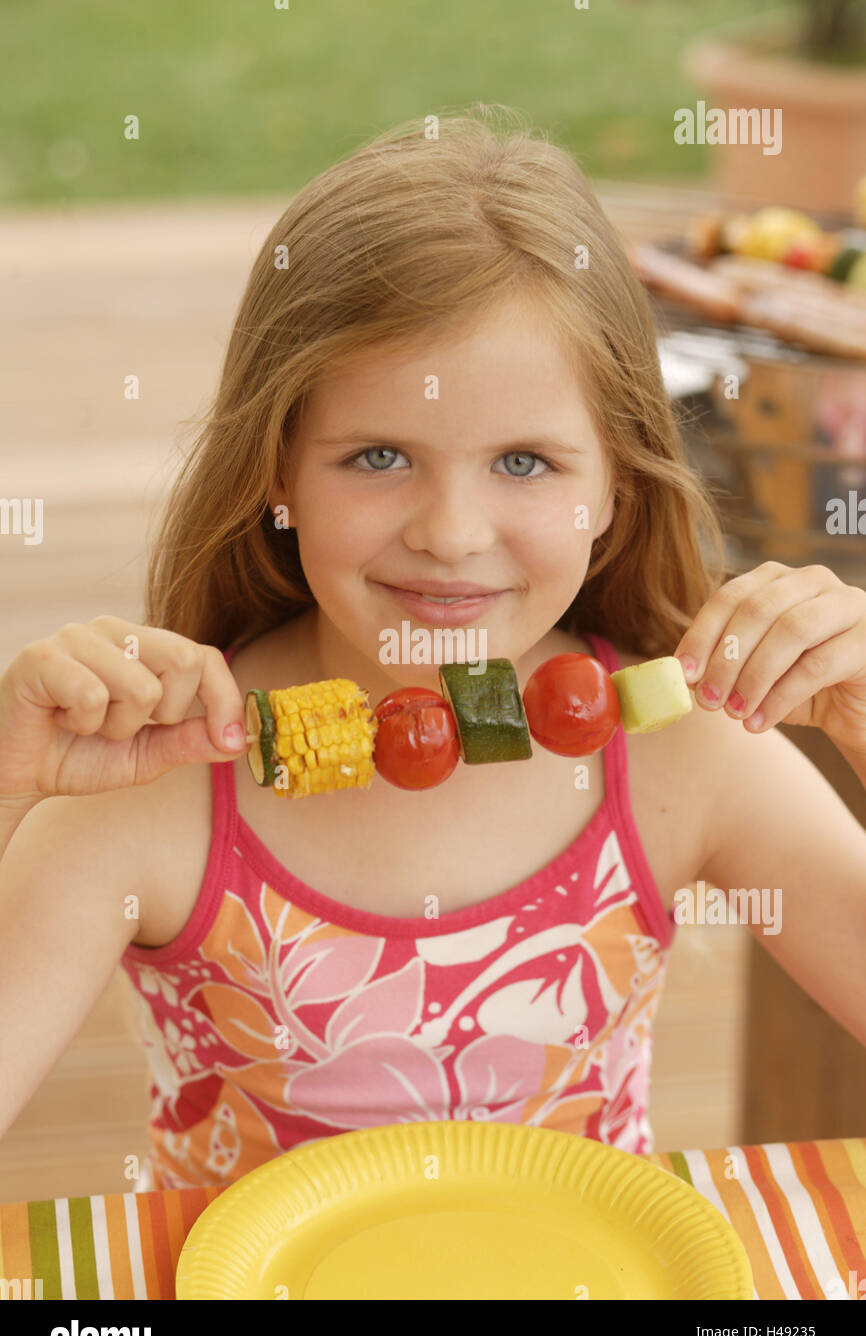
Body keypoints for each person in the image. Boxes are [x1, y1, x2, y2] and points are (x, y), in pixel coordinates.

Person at [1, 107, 865, 1194]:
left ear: (615, 483)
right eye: (375, 455)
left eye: (523, 462)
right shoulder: (157, 785)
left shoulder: (683, 755)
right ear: (274, 470)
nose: (450, 532)